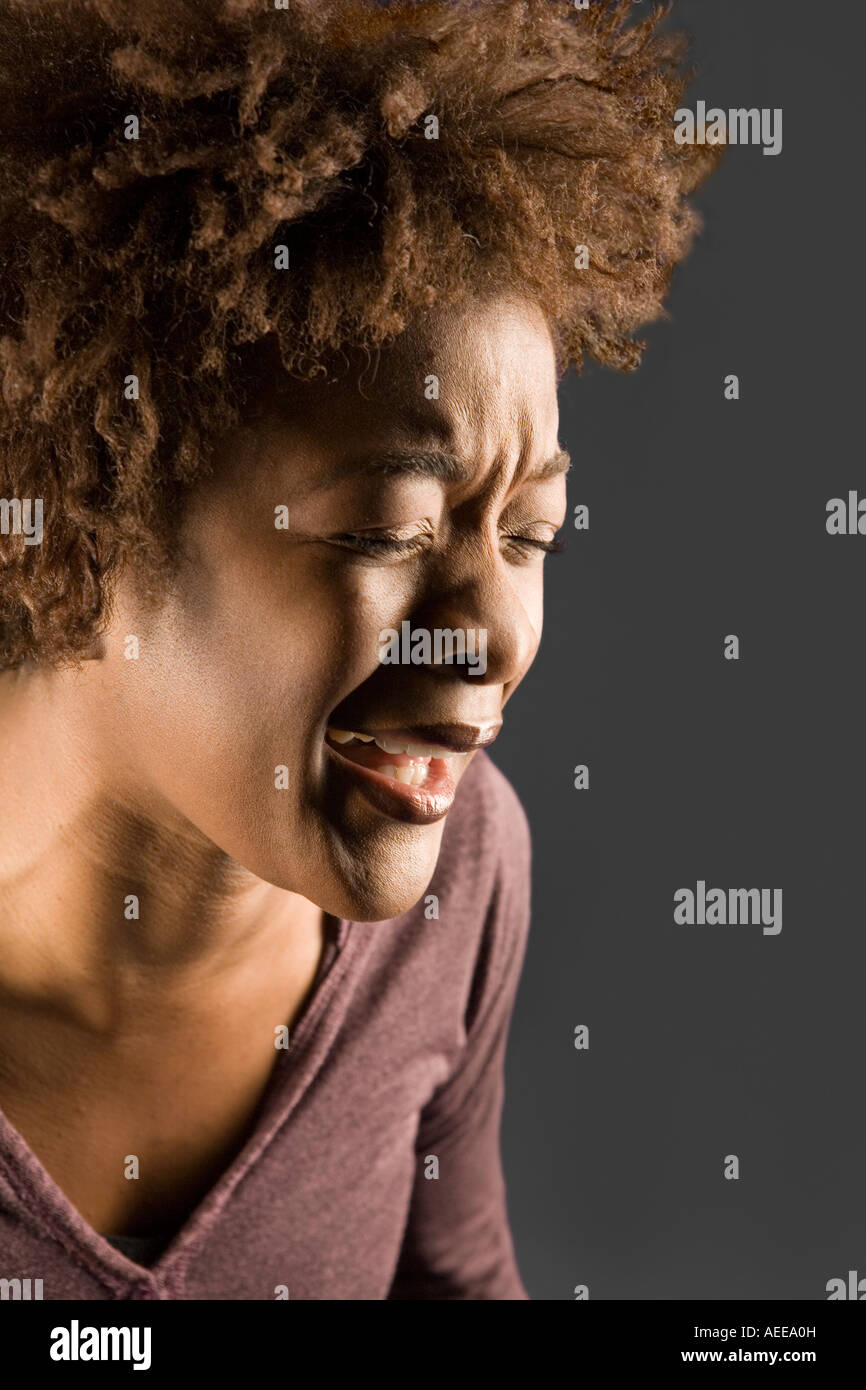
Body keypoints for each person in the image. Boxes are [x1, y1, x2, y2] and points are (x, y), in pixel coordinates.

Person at [0, 0, 716, 1298]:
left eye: (530, 531)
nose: (495, 634)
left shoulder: (467, 871)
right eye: (391, 528)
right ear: (95, 498)